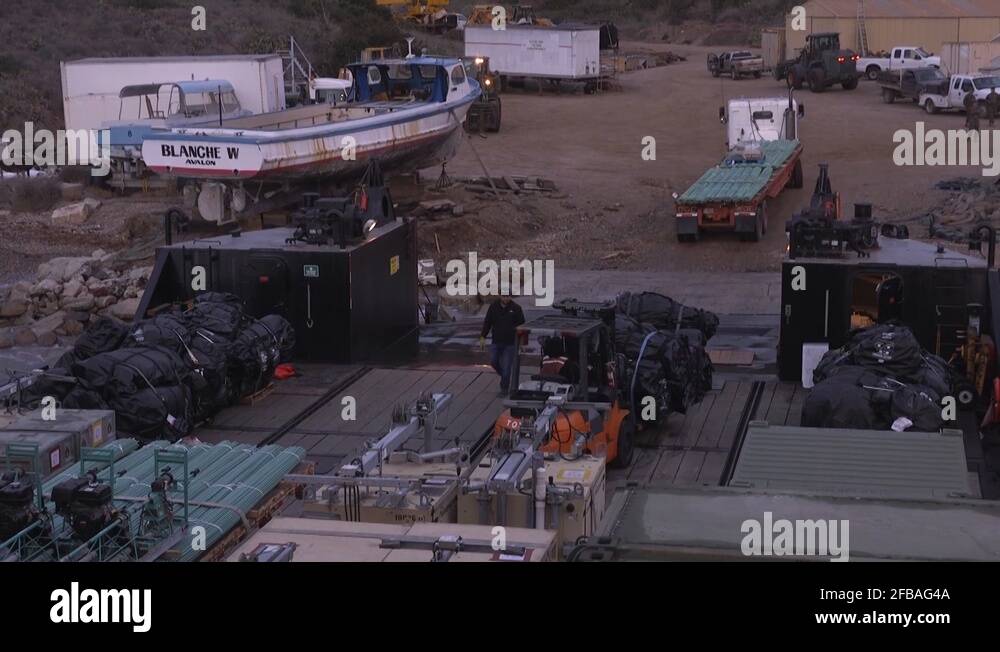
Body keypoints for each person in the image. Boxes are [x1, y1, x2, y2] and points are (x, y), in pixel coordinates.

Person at [480, 295, 525, 395]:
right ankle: (505, 375)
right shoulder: (493, 307)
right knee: (493, 361)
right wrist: (483, 337)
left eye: (508, 296)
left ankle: (504, 388)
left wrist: (522, 343)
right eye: (504, 296)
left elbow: (522, 326)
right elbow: (487, 322)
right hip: (496, 341)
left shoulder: (516, 308)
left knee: (507, 368)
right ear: (500, 296)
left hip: (510, 344)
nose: (506, 298)